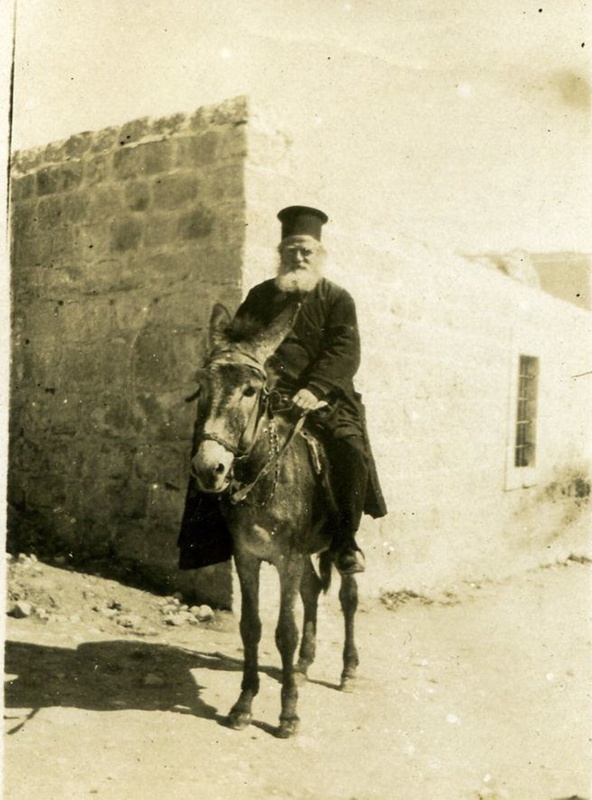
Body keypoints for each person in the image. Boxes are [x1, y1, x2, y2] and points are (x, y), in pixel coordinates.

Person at [178, 205, 387, 575]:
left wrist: (315, 388)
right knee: (212, 437)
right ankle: (210, 539)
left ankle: (344, 540)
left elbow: (344, 351)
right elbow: (236, 339)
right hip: (264, 394)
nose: (299, 257)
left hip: (322, 397)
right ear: (281, 254)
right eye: (291, 251)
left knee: (351, 450)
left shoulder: (336, 299)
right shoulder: (261, 296)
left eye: (306, 251)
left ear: (319, 255)